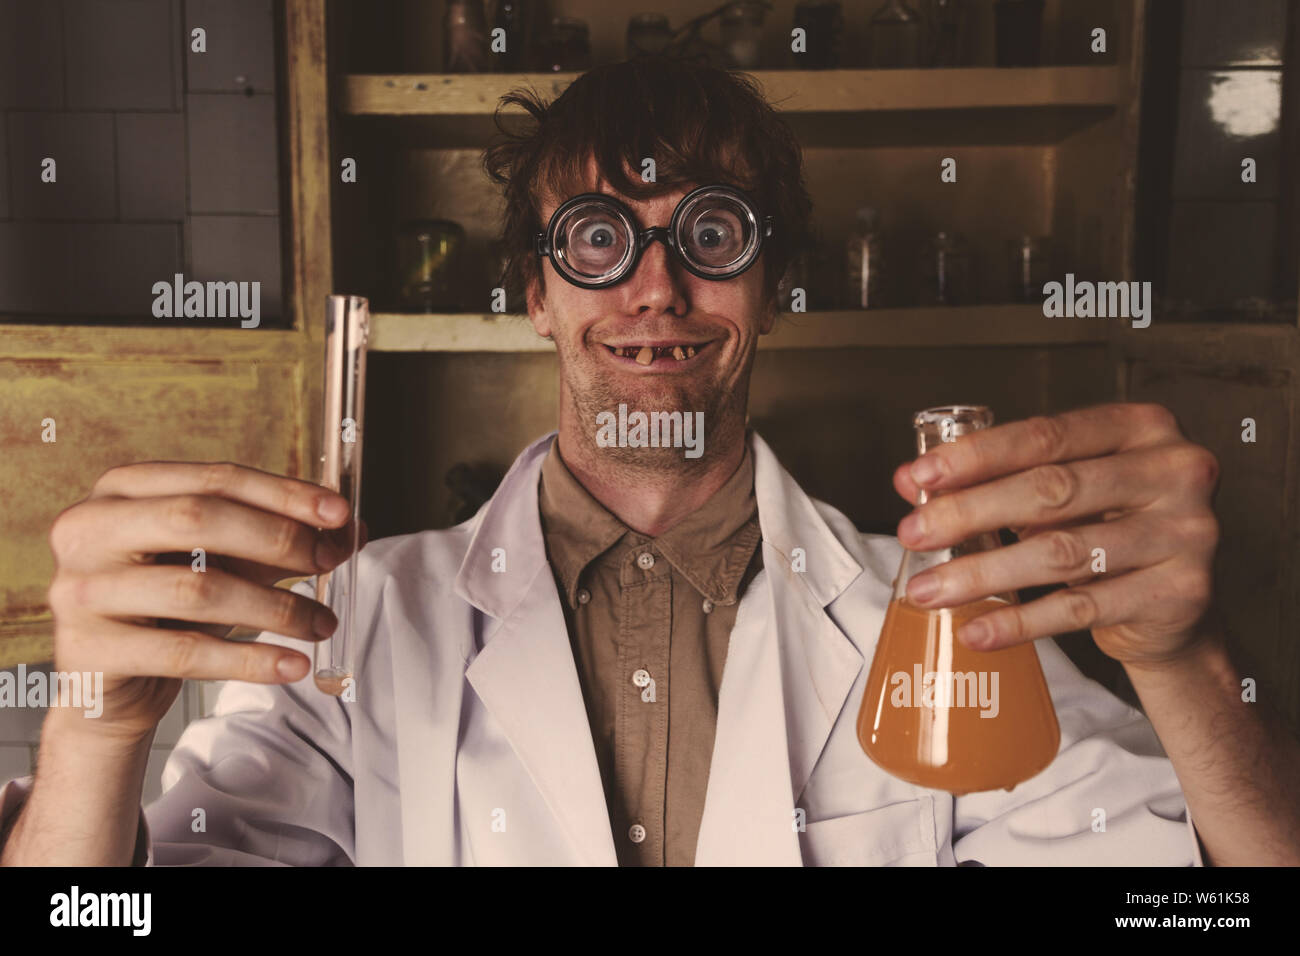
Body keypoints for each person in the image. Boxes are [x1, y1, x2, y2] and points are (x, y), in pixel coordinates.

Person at [3, 57, 1298, 867]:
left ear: (775, 289)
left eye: (712, 237)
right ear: (534, 294)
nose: (657, 291)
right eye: (597, 240)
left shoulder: (942, 625)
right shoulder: (356, 626)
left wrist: (1185, 663)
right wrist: (93, 738)